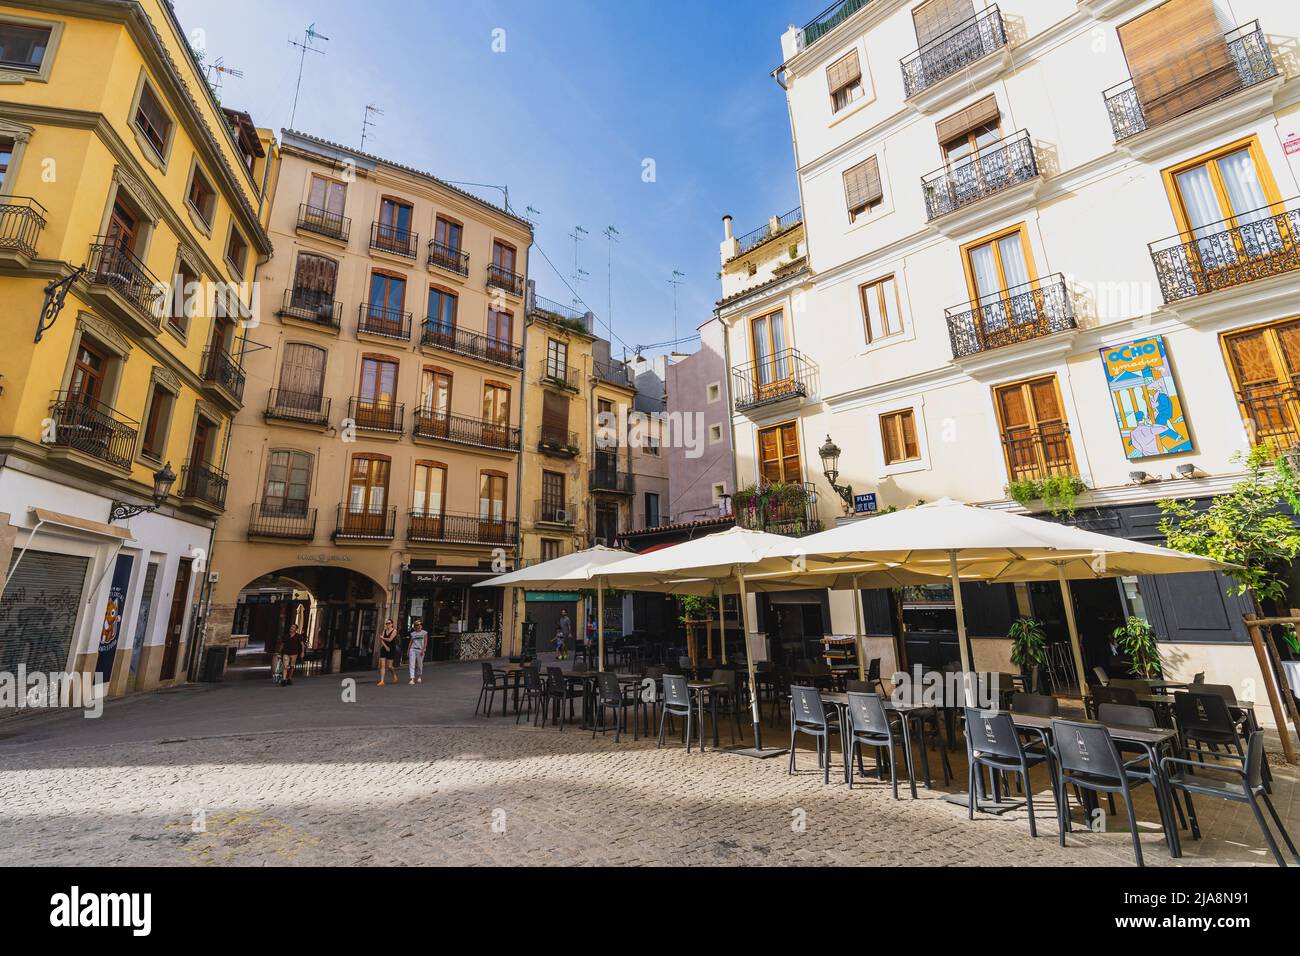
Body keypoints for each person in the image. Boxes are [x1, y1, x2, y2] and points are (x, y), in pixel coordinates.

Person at [378, 619, 400, 686]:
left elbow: (390, 639)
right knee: (382, 665)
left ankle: (394, 675)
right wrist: (385, 647)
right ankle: (382, 681)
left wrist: (383, 638)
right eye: (386, 623)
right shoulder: (384, 630)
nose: (387, 624)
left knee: (389, 666)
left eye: (389, 623)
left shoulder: (394, 631)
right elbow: (381, 640)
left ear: (392, 624)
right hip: (384, 649)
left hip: (391, 649)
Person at [408, 618, 429, 684]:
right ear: (415, 626)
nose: (418, 626)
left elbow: (425, 642)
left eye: (419, 624)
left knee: (419, 664)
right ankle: (412, 678)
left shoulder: (424, 633)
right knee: (411, 664)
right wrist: (408, 650)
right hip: (413, 649)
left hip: (420, 650)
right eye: (417, 625)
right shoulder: (413, 633)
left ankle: (419, 676)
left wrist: (423, 650)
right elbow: (411, 642)